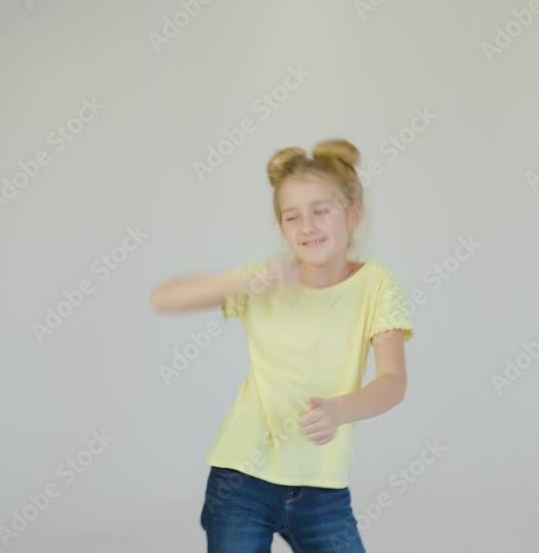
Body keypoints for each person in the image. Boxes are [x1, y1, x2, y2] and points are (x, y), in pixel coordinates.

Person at [150, 138, 414, 552]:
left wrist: (340, 410)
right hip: (241, 482)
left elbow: (393, 381)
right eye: (292, 217)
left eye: (321, 211)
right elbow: (163, 297)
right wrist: (248, 281)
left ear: (354, 214)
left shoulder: (376, 285)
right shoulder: (264, 280)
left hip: (322, 488)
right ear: (282, 227)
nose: (306, 226)